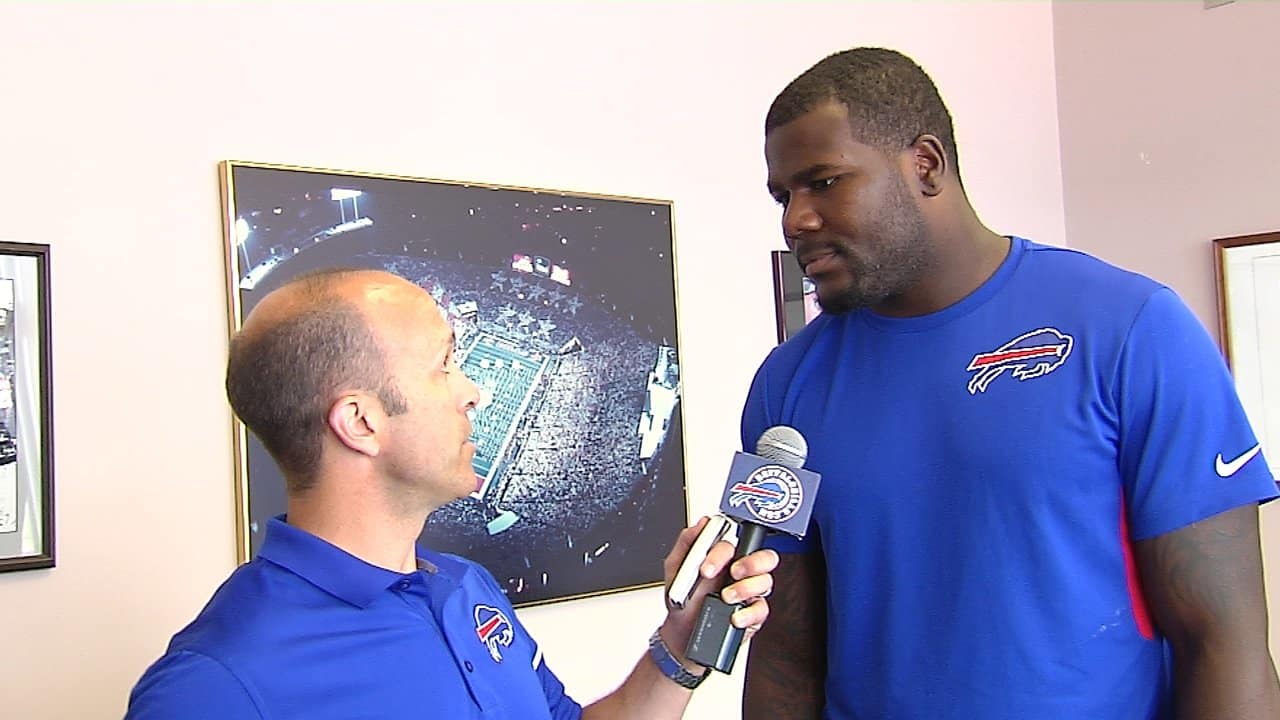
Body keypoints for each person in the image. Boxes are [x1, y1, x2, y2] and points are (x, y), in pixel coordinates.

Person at [741, 47, 1280, 720]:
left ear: (926, 165)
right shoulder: (786, 385)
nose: (796, 219)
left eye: (823, 182)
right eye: (783, 195)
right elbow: (785, 653)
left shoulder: (1129, 328)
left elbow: (1223, 643)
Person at [126, 268, 778, 719]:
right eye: (443, 365)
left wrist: (680, 644)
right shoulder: (215, 685)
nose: (474, 391)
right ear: (360, 423)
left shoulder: (465, 588)